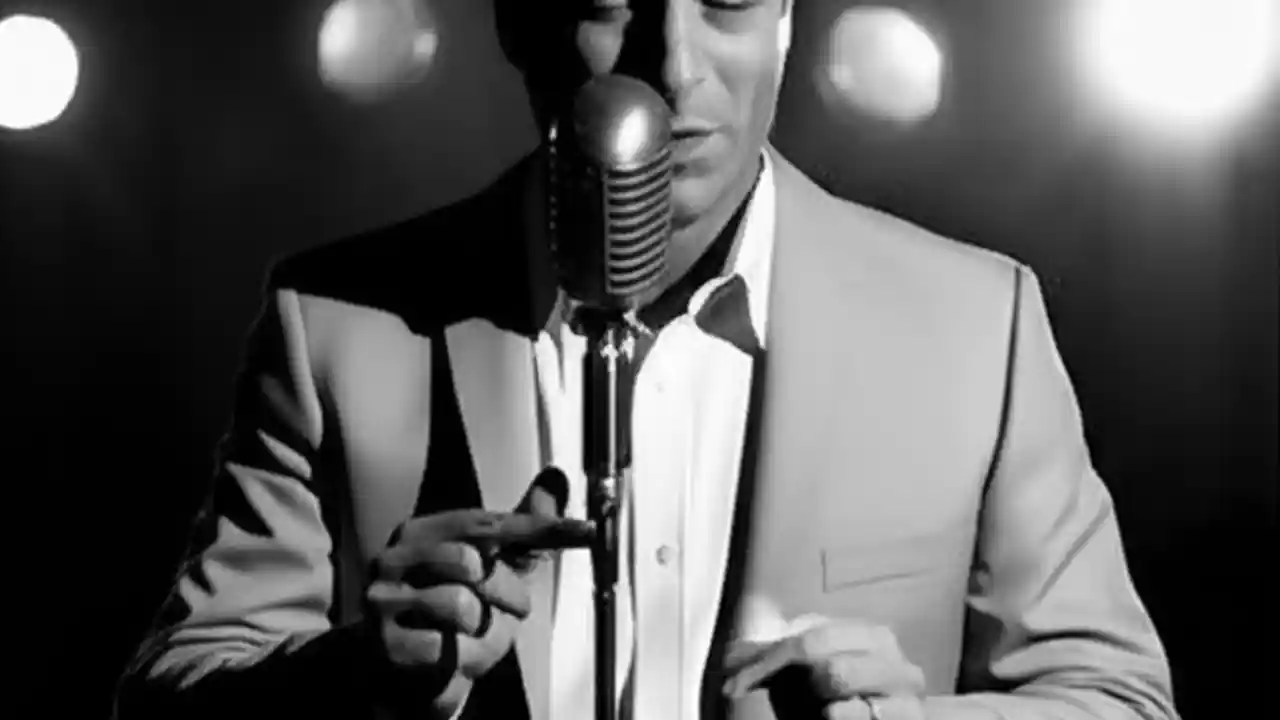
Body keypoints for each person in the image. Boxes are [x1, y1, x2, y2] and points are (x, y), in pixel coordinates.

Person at [113, 1, 1179, 719]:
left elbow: (1114, 698)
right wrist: (353, 682)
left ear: (787, 16)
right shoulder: (338, 324)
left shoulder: (972, 323)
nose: (671, 66)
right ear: (517, 19)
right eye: (610, 0)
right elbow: (172, 690)